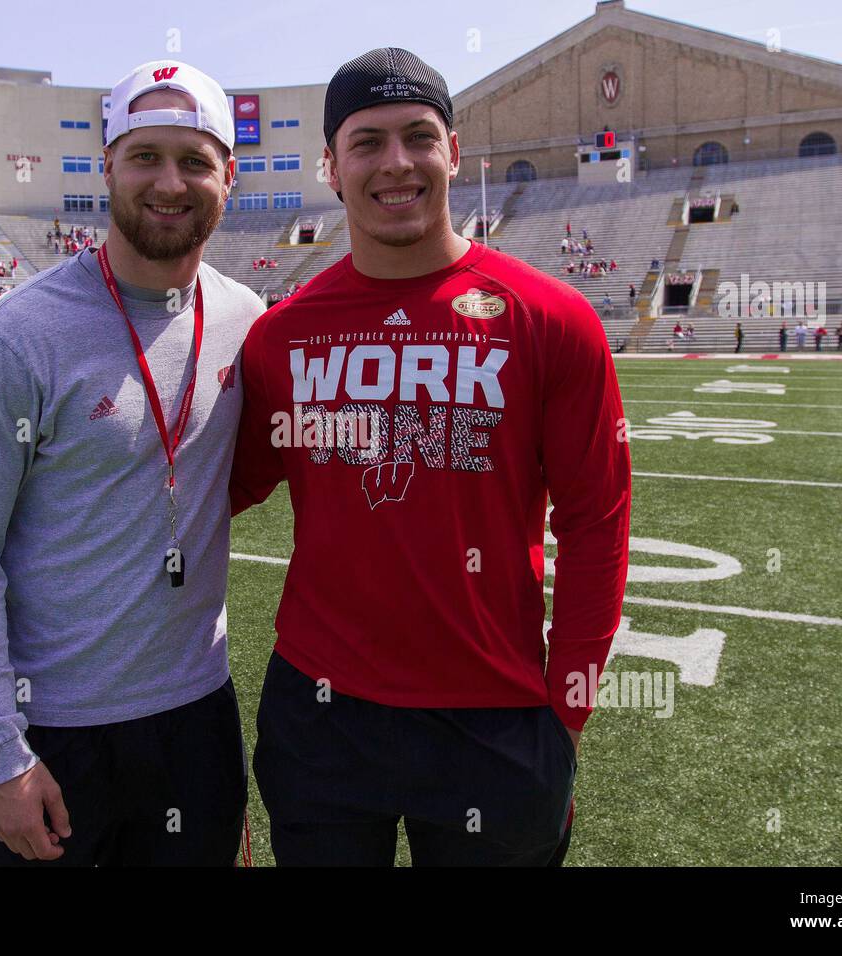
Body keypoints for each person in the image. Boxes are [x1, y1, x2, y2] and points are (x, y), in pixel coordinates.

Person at [231, 48, 630, 866]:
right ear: (332, 169)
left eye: (419, 136)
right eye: (367, 142)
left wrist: (569, 710)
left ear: (454, 152)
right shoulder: (281, 336)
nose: (397, 163)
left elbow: (597, 521)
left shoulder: (551, 318)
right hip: (321, 711)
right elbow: (218, 488)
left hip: (497, 713)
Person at [0, 59, 263, 868]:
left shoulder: (248, 320)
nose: (169, 182)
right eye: (145, 156)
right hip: (54, 734)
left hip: (197, 719)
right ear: (106, 166)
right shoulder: (19, 337)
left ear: (229, 177)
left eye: (194, 160)